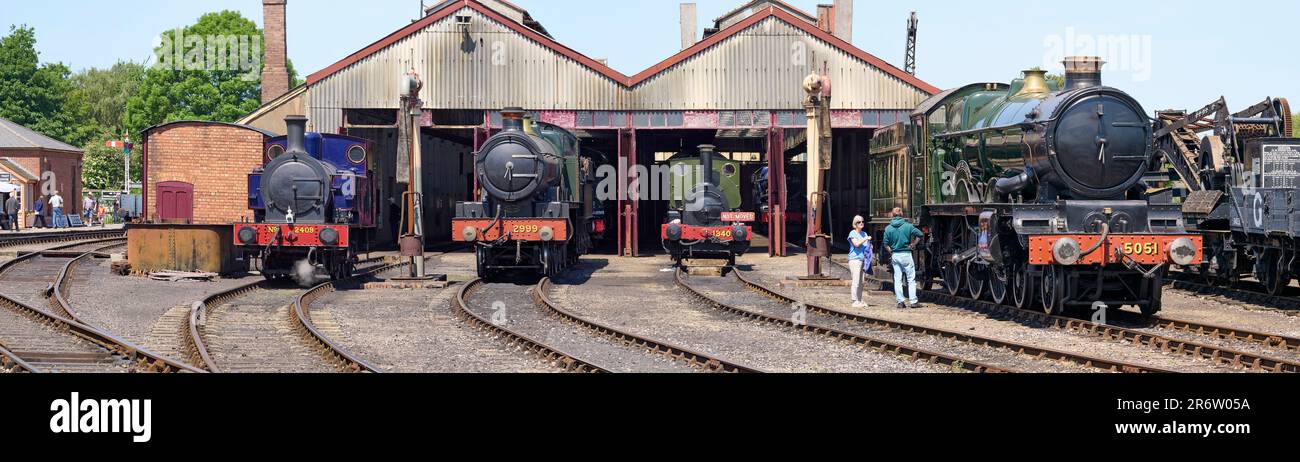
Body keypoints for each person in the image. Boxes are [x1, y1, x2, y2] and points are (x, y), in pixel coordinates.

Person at [883, 207, 924, 309]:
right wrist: (913, 244)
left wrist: (891, 251)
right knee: (911, 279)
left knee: (897, 279)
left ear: (892, 215)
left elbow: (885, 244)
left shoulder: (888, 228)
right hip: (906, 254)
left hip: (895, 255)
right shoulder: (908, 226)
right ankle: (913, 301)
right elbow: (920, 234)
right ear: (902, 215)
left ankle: (900, 302)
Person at [847, 215, 873, 308]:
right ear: (855, 224)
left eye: (862, 221)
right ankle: (854, 300)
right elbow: (856, 244)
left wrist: (870, 246)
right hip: (855, 259)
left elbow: (866, 246)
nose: (861, 223)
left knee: (861, 281)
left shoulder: (864, 233)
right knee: (856, 281)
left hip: (863, 259)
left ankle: (859, 299)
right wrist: (865, 239)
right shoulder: (852, 233)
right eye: (859, 222)